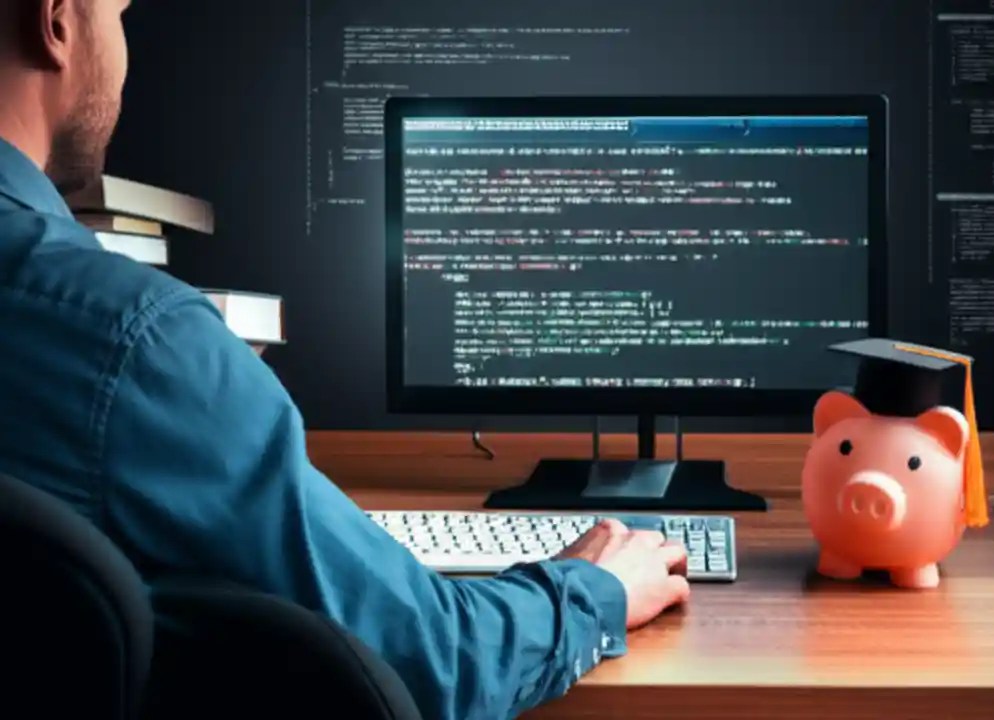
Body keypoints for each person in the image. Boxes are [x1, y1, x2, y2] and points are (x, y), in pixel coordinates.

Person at [0, 1, 691, 717]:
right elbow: (432, 661)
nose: (122, 47)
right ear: (56, 21)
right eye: (118, 12)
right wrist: (593, 591)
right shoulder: (134, 342)